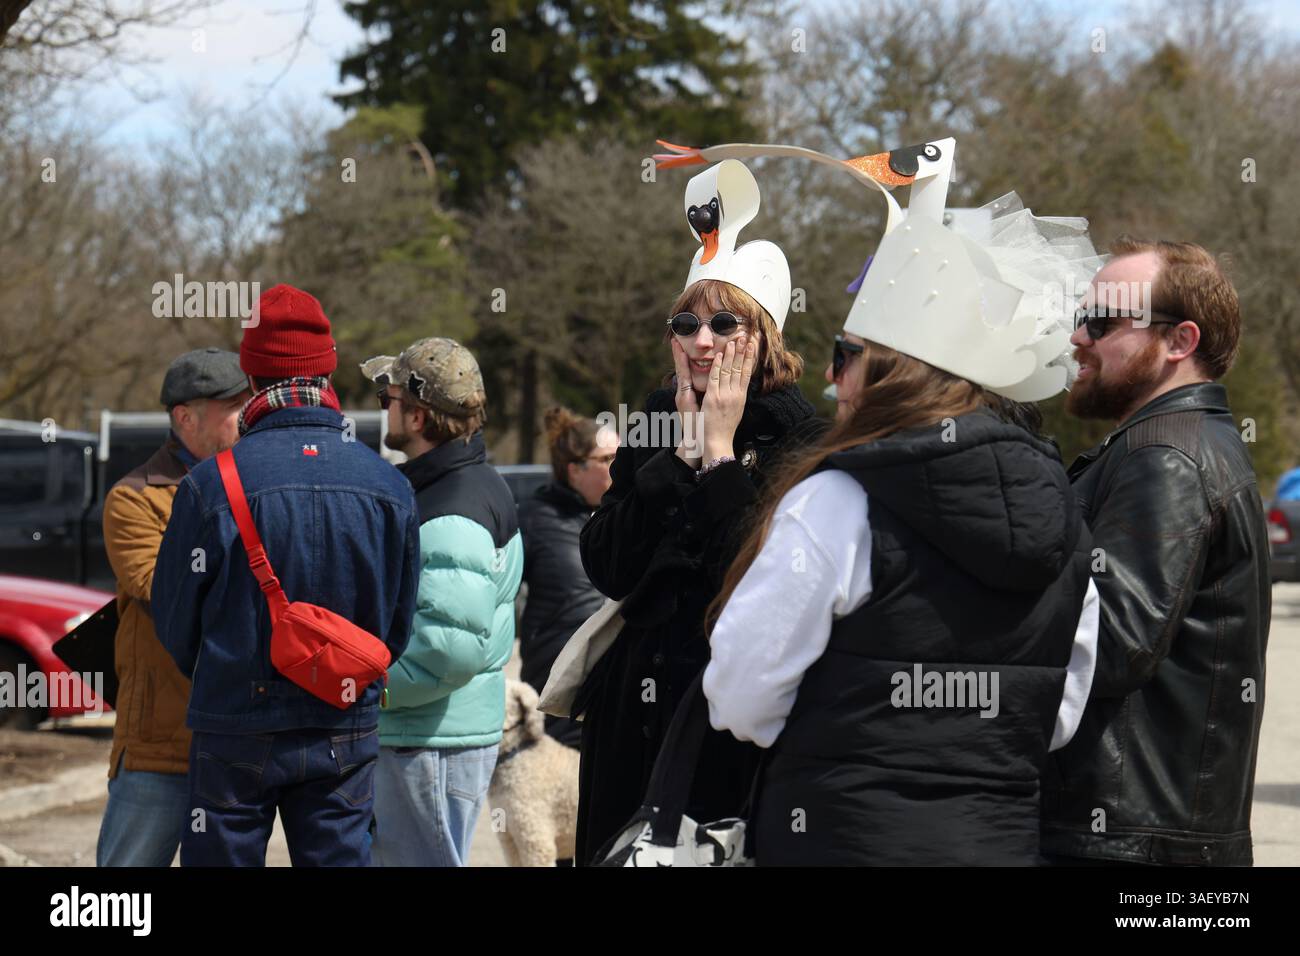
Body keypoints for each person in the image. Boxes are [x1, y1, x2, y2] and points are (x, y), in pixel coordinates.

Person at [703, 159, 1103, 865]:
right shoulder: (1065, 510)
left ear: (894, 369)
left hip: (842, 837)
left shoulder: (839, 499)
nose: (831, 377)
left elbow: (739, 693)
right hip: (999, 842)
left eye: (845, 355)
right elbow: (1062, 714)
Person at [574, 159, 824, 864]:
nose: (702, 339)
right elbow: (609, 565)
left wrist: (719, 452)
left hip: (727, 711)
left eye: (724, 321)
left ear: (764, 333)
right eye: (687, 321)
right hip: (634, 706)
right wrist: (673, 462)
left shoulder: (802, 434)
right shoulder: (658, 416)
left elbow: (760, 580)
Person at [153, 284, 421, 867]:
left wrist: (223, 671)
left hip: (233, 722)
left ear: (250, 378)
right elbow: (397, 627)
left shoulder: (208, 485)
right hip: (343, 721)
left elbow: (174, 621)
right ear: (327, 375)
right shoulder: (390, 486)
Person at [1041, 239, 1270, 866]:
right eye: (1078, 319)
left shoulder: (1165, 456)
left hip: (1128, 850)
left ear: (1180, 342)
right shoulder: (1177, 442)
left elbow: (1110, 647)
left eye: (1103, 322)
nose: (1078, 339)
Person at [361, 337, 523, 867]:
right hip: (436, 735)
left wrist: (365, 692)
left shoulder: (453, 508)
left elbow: (447, 650)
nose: (382, 407)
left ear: (419, 413)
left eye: (389, 399)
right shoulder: (465, 486)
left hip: (427, 740)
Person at [96, 347, 249, 867]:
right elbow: (157, 584)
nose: (246, 414)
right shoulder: (133, 498)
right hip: (159, 741)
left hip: (235, 739)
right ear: (185, 416)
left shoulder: (253, 485)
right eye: (232, 405)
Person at [517, 406, 619, 749]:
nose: (617, 467)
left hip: (612, 686)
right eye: (606, 459)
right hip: (558, 691)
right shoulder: (535, 519)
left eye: (621, 456)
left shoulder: (622, 519)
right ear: (575, 470)